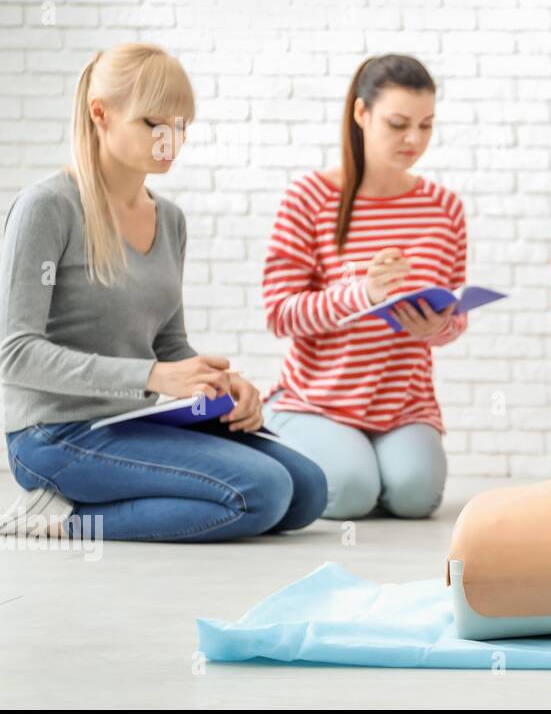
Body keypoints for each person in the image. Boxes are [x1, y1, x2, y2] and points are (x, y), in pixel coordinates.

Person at [0, 43, 326, 541]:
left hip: (130, 422)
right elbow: (15, 354)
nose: (170, 140)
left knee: (307, 490)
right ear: (100, 114)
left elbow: (169, 345)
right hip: (53, 434)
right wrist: (153, 375)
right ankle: (61, 519)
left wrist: (220, 385)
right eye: (155, 123)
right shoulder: (46, 208)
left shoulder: (169, 219)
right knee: (262, 493)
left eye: (182, 126)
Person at [262, 54, 466, 520]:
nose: (414, 140)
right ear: (361, 114)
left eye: (426, 125)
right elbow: (279, 313)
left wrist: (435, 327)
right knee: (352, 493)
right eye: (398, 124)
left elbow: (455, 320)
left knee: (415, 498)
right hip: (319, 401)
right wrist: (363, 295)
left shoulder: (444, 208)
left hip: (404, 404)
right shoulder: (309, 198)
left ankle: (367, 458)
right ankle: (284, 421)